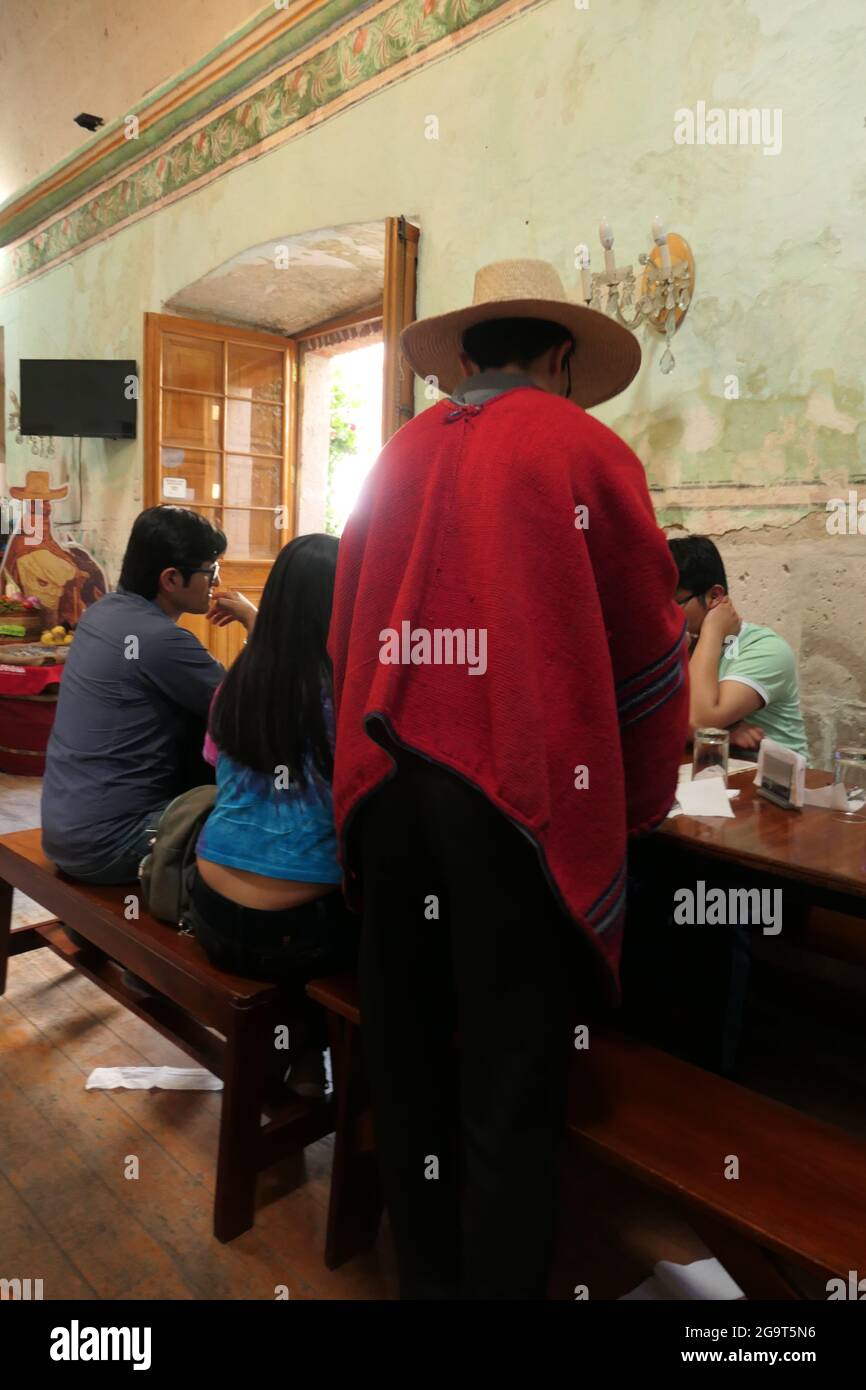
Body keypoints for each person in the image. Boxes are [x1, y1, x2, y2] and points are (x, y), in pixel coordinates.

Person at [327, 258, 690, 1299]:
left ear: (465, 357)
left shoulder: (394, 456)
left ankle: (423, 1279)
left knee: (406, 1058)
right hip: (511, 803)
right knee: (508, 1077)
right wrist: (634, 805)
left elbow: (344, 630)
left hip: (387, 788)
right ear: (562, 357)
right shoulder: (583, 447)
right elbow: (642, 641)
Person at [188, 534, 357, 1099]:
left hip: (208, 908)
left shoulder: (236, 683)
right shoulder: (350, 694)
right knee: (372, 925)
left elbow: (218, 768)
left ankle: (287, 1058)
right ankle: (313, 1062)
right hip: (298, 935)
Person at [41, 506, 255, 885]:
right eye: (212, 571)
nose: (216, 582)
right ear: (171, 579)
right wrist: (258, 623)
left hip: (62, 829)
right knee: (259, 817)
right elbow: (249, 709)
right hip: (115, 844)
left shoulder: (100, 613)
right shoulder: (163, 640)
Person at [669, 535, 809, 760]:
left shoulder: (766, 649)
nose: (665, 614)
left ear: (715, 596)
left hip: (776, 784)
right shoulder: (680, 642)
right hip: (714, 770)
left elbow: (696, 722)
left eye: (675, 603)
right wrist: (727, 728)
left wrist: (713, 631)